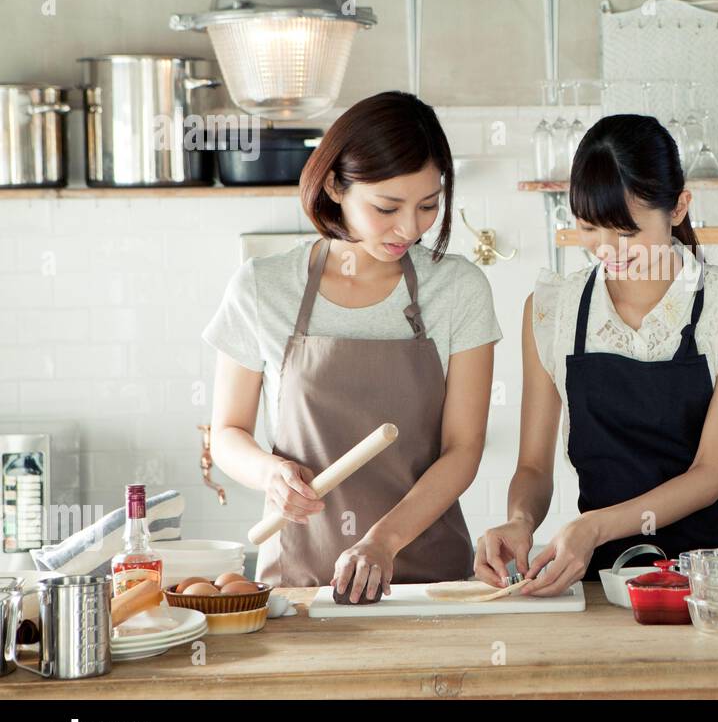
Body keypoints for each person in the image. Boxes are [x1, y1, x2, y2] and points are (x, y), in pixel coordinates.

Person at [204, 91, 501, 602]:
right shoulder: (261, 286)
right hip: (300, 587)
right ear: (336, 186)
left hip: (429, 584)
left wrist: (381, 542)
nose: (410, 228)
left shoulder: (458, 288)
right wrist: (269, 473)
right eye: (387, 207)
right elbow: (228, 433)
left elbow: (463, 448)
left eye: (429, 206)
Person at [475, 114, 718, 595]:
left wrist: (593, 526)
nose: (608, 249)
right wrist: (520, 522)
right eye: (590, 228)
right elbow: (533, 467)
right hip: (602, 576)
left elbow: (708, 476)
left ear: (679, 208)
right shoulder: (553, 310)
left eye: (628, 230)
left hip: (717, 579)